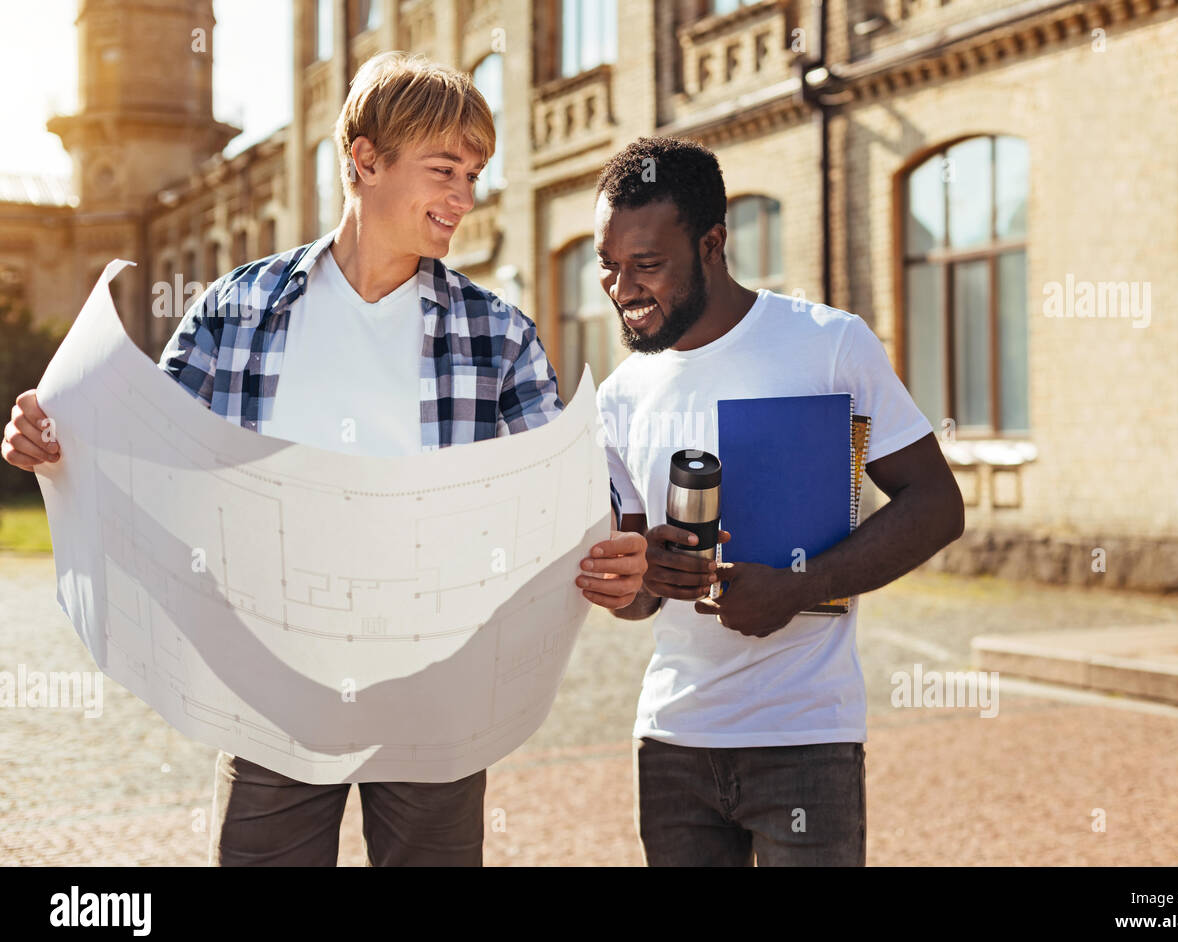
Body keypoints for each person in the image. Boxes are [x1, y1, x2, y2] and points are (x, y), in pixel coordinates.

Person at [2, 52, 647, 867]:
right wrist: (52, 443)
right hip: (272, 687)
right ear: (365, 160)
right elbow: (145, 451)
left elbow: (563, 495)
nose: (464, 197)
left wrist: (617, 541)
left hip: (438, 690)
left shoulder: (499, 335)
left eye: (475, 174)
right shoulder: (237, 310)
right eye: (444, 169)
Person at [593, 136, 964, 866]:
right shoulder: (618, 397)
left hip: (804, 738)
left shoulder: (827, 346)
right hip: (672, 744)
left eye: (646, 265)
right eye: (607, 266)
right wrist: (642, 580)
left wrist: (803, 587)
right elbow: (634, 598)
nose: (622, 288)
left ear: (711, 244)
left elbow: (936, 504)